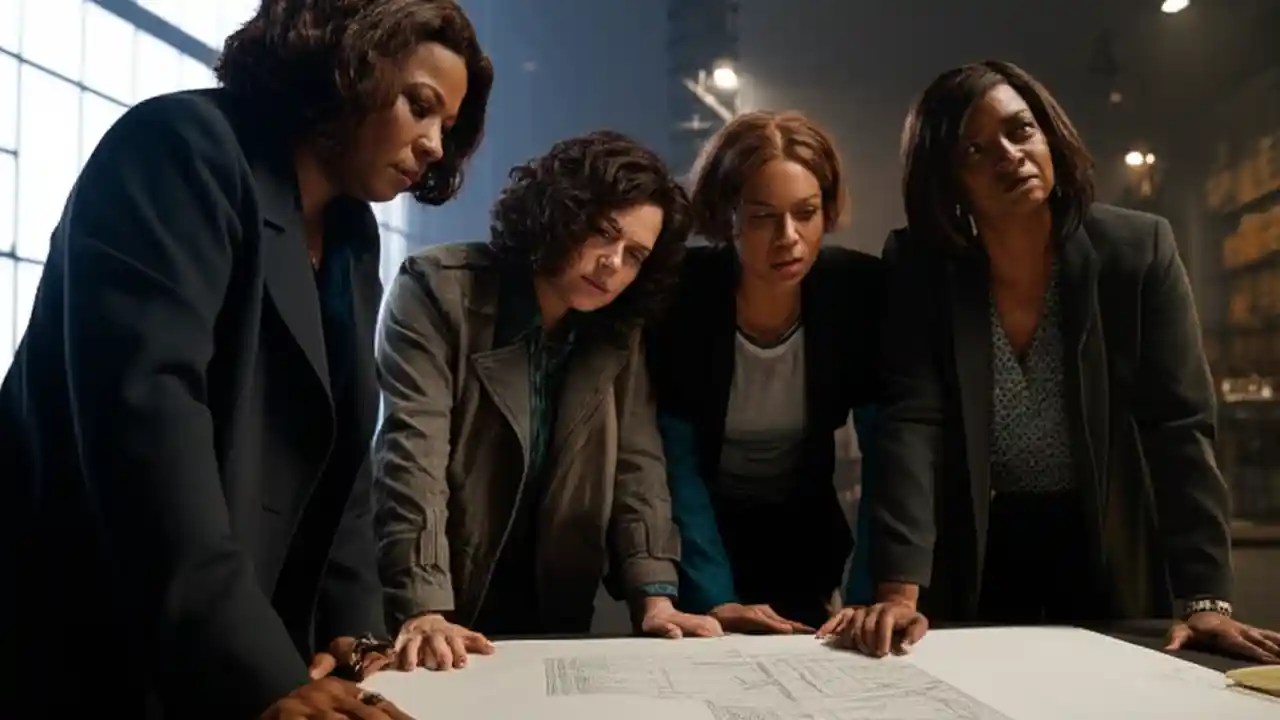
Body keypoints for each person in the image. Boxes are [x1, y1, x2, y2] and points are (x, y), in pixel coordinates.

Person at [0, 1, 493, 716]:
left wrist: (354, 634)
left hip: (227, 639)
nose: (434, 147)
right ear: (347, 64)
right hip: (87, 624)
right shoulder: (177, 146)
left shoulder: (353, 234)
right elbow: (146, 427)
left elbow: (344, 460)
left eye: (447, 127)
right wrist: (267, 676)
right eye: (420, 107)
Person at [835, 60, 1280, 664]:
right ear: (947, 178)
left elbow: (1179, 428)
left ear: (1049, 134)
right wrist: (897, 588)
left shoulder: (1138, 251)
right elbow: (913, 425)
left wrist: (1206, 597)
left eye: (1021, 131)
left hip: (1106, 540)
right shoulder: (921, 265)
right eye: (975, 150)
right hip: (977, 546)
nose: (1010, 156)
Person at [374, 130, 721, 672]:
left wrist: (655, 598)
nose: (612, 265)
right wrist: (425, 608)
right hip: (437, 604)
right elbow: (411, 456)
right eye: (604, 233)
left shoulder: (617, 329)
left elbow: (638, 464)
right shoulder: (437, 290)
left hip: (552, 611)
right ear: (559, 213)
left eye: (635, 255)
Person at [646, 111, 883, 634]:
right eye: (762, 217)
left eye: (806, 213)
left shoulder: (858, 294)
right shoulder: (682, 298)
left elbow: (885, 457)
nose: (789, 237)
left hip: (805, 534)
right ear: (725, 215)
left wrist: (871, 596)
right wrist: (715, 599)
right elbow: (676, 466)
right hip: (697, 537)